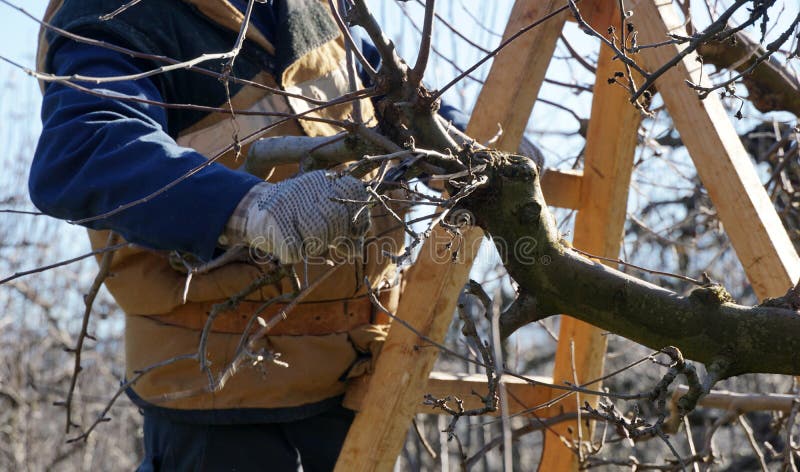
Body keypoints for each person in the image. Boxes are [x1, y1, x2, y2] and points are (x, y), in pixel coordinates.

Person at [30, 1, 474, 470]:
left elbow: (382, 81)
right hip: (222, 399)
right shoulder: (116, 12)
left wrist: (466, 141)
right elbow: (84, 148)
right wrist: (250, 209)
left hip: (356, 375)